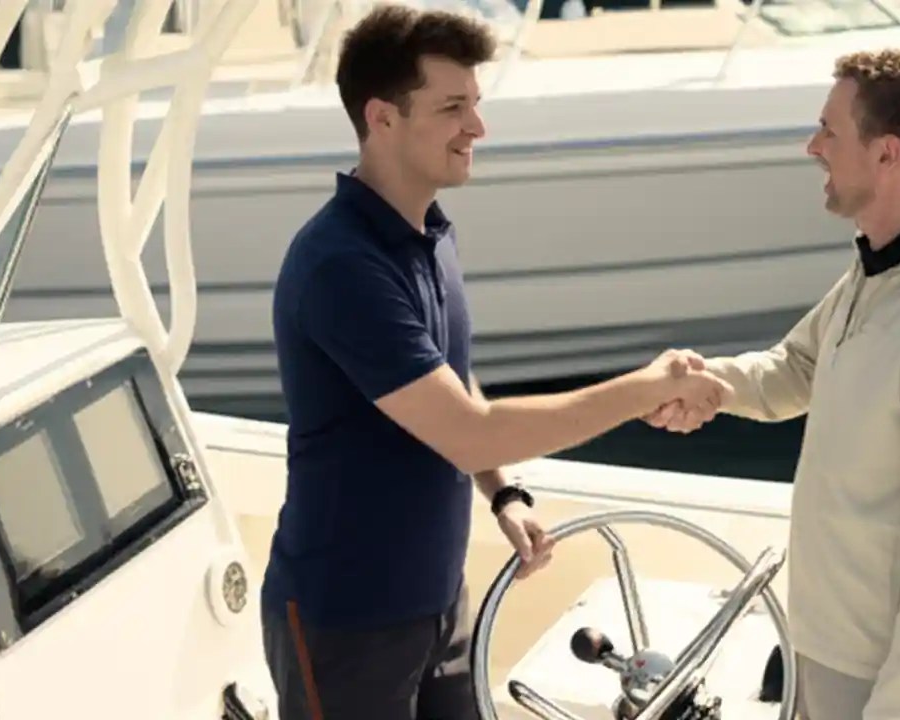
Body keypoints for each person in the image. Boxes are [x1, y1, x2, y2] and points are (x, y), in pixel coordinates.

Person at [260, 4, 732, 720]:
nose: (476, 128)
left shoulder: (428, 235)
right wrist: (646, 389)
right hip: (346, 621)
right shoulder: (341, 267)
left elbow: (445, 377)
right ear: (382, 118)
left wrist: (503, 492)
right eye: (453, 108)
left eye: (475, 105)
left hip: (439, 602)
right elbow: (470, 430)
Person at [646, 49, 900, 720]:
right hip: (830, 655)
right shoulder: (884, 268)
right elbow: (795, 371)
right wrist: (702, 383)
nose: (812, 146)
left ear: (887, 154)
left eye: (829, 130)